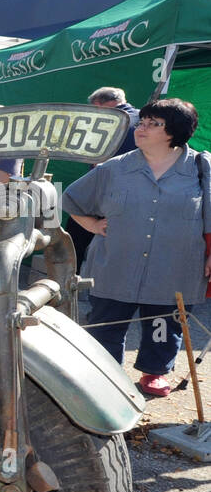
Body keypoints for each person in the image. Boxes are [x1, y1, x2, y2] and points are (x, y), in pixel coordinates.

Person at [64, 98, 211, 397]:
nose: (140, 128)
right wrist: (92, 225)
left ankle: (153, 373)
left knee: (163, 325)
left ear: (174, 132)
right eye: (141, 122)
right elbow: (71, 198)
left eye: (152, 123)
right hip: (116, 263)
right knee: (106, 324)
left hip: (174, 268)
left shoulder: (200, 169)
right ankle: (105, 373)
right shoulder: (114, 168)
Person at [65, 86, 140, 266]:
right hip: (137, 198)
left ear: (98, 105)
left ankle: (68, 284)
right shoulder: (144, 119)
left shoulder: (108, 122)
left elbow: (95, 162)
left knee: (75, 240)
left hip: (106, 196)